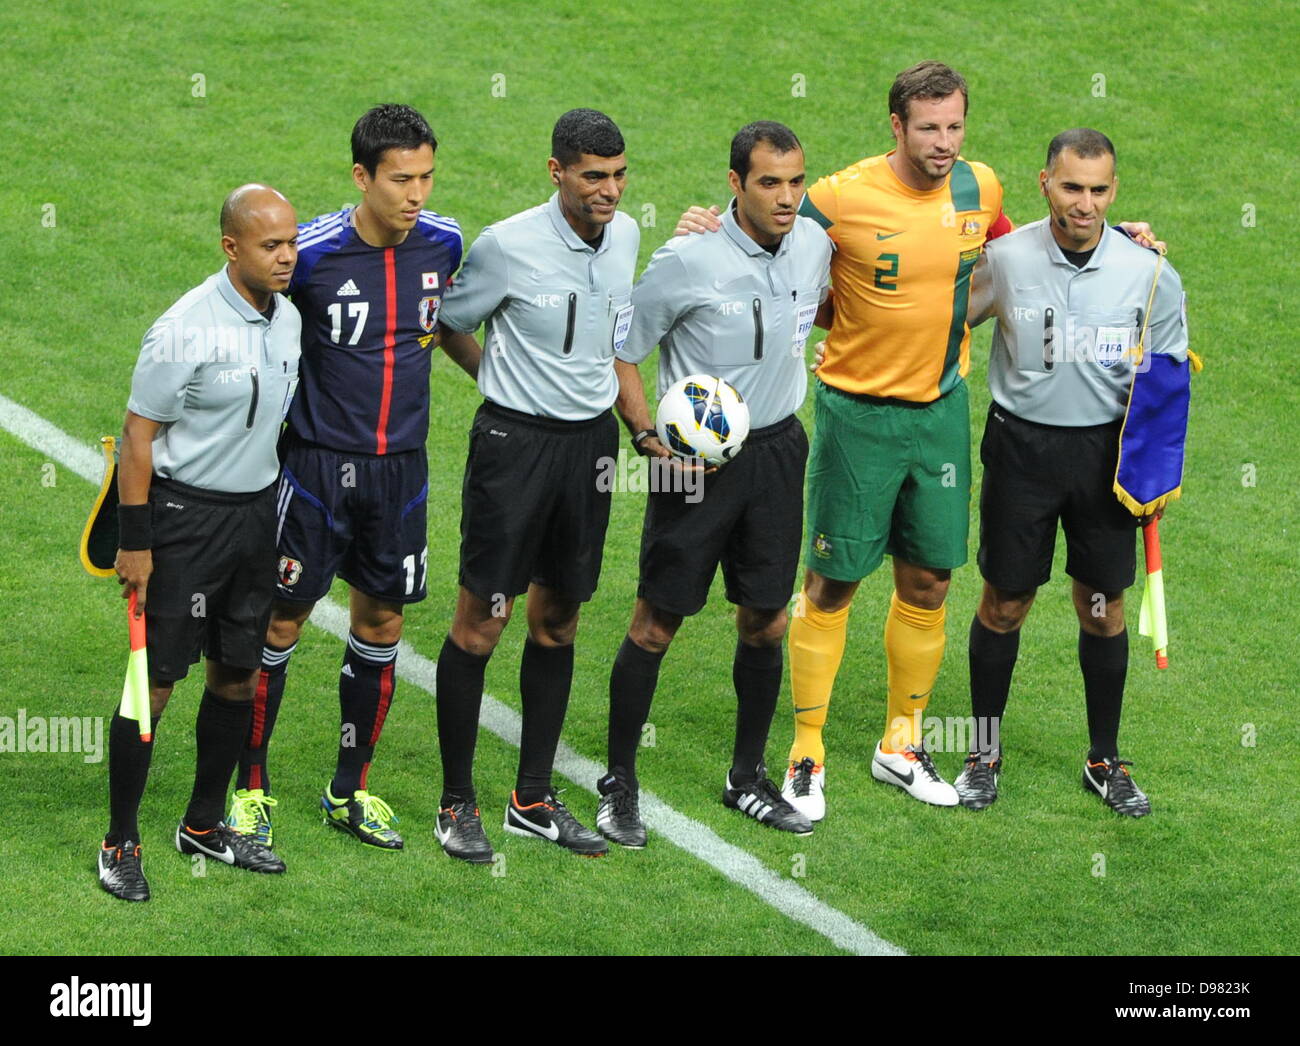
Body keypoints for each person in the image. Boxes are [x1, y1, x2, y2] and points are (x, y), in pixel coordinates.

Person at [677, 62, 1159, 822]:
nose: (943, 142)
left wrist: (1117, 240)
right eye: (928, 127)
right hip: (856, 415)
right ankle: (807, 750)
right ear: (896, 126)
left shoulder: (982, 189)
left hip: (941, 412)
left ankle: (901, 743)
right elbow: (763, 238)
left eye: (955, 126)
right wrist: (705, 226)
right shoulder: (840, 197)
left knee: (931, 582)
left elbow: (1026, 255)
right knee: (833, 582)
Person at [228, 105, 473, 851]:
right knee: (280, 623)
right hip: (313, 470)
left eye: (427, 176)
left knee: (382, 624)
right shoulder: (311, 256)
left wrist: (502, 380)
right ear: (362, 177)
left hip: (403, 474)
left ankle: (349, 788)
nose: (417, 194)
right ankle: (250, 788)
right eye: (401, 178)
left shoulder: (446, 242)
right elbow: (244, 325)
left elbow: (451, 321)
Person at [593, 122, 831, 848]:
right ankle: (619, 782)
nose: (787, 197)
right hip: (695, 467)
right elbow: (623, 352)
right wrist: (646, 437)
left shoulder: (816, 243)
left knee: (766, 619)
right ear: (735, 185)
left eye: (796, 181)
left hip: (780, 452)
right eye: (769, 182)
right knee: (656, 622)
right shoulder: (685, 261)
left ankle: (745, 776)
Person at [953, 129, 1188, 817]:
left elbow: (1168, 387)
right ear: (1044, 183)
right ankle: (982, 754)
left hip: (1105, 462)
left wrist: (1157, 476)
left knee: (1102, 607)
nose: (1083, 203)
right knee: (1004, 602)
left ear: (1113, 191)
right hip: (1021, 450)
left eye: (1098, 190)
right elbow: (942, 323)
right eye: (1070, 187)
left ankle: (1104, 759)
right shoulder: (1006, 258)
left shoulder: (1149, 273)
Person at [432, 108, 639, 862]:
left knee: (558, 621)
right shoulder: (507, 246)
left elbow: (618, 337)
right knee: (482, 622)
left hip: (590, 449)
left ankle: (531, 796)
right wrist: (493, 376)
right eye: (593, 176)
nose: (608, 191)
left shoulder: (627, 239)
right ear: (557, 172)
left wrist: (639, 425)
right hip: (513, 449)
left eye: (618, 176)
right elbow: (447, 321)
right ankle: (457, 802)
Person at [99, 185, 301, 901]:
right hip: (183, 523)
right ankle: (120, 840)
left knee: (238, 675)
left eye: (291, 242)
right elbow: (137, 435)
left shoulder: (289, 320)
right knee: (153, 684)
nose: (286, 257)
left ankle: (204, 824)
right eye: (270, 246)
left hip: (252, 520)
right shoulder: (183, 327)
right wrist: (138, 542)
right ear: (231, 248)